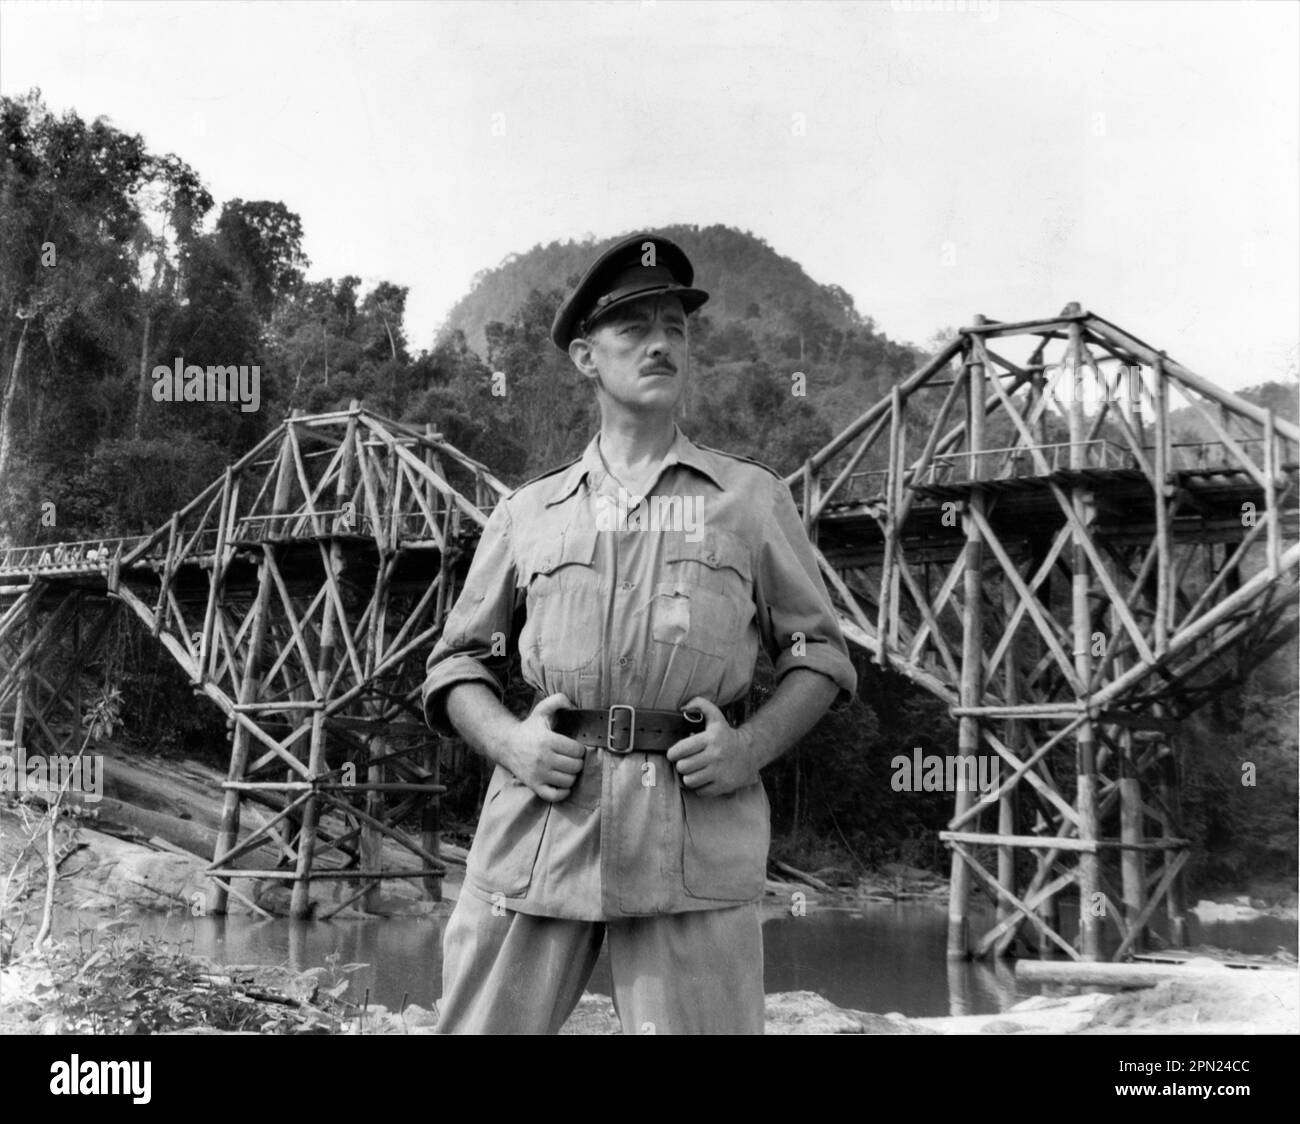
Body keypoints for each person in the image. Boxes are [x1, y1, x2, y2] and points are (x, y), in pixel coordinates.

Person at [422, 232, 857, 1034]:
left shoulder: (750, 500)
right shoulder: (528, 512)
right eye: (634, 328)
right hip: (541, 826)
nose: (661, 343)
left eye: (676, 326)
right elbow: (457, 664)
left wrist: (749, 749)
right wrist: (513, 744)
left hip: (691, 840)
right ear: (586, 357)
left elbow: (820, 655)